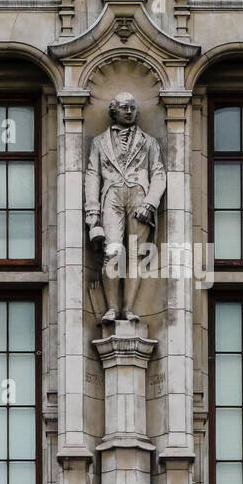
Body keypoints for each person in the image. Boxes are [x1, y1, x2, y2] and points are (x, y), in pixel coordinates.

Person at [84, 92, 166, 324]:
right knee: (113, 252)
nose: (129, 112)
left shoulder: (149, 142)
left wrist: (150, 202)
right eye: (124, 108)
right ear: (114, 110)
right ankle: (111, 308)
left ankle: (128, 308)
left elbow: (158, 174)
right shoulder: (99, 142)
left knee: (135, 256)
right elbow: (92, 175)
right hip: (111, 196)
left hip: (139, 196)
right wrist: (92, 211)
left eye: (132, 108)